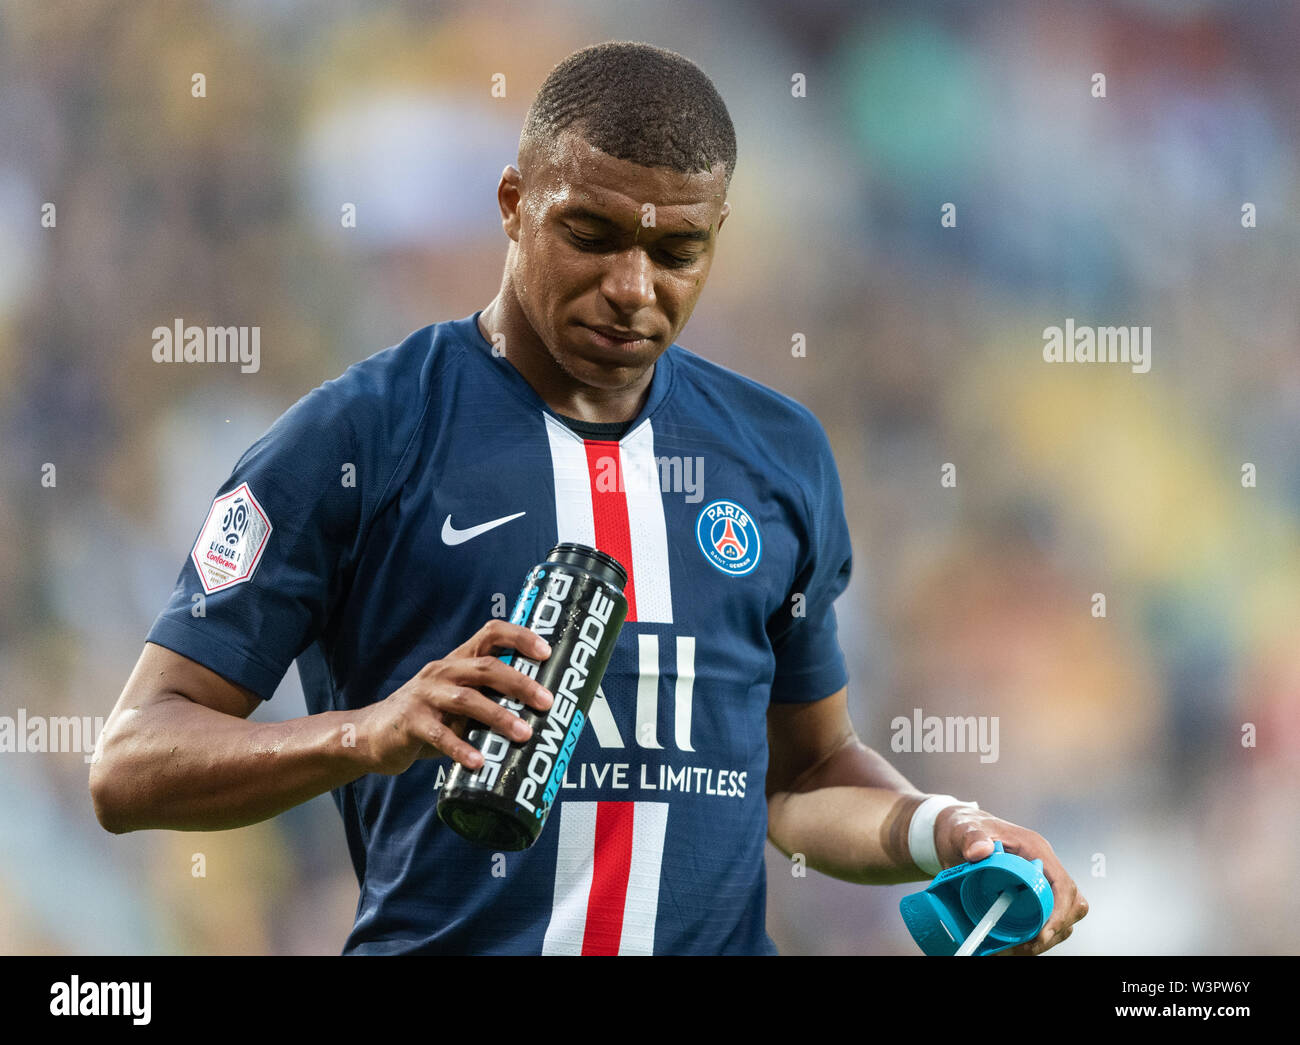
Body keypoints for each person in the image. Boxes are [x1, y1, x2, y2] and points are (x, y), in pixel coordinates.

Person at [90, 41, 1087, 955]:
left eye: (674, 251)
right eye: (592, 233)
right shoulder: (359, 437)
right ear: (514, 201)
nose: (631, 284)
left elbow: (802, 775)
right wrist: (369, 732)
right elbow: (131, 764)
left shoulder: (776, 455)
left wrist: (943, 828)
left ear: (716, 237)